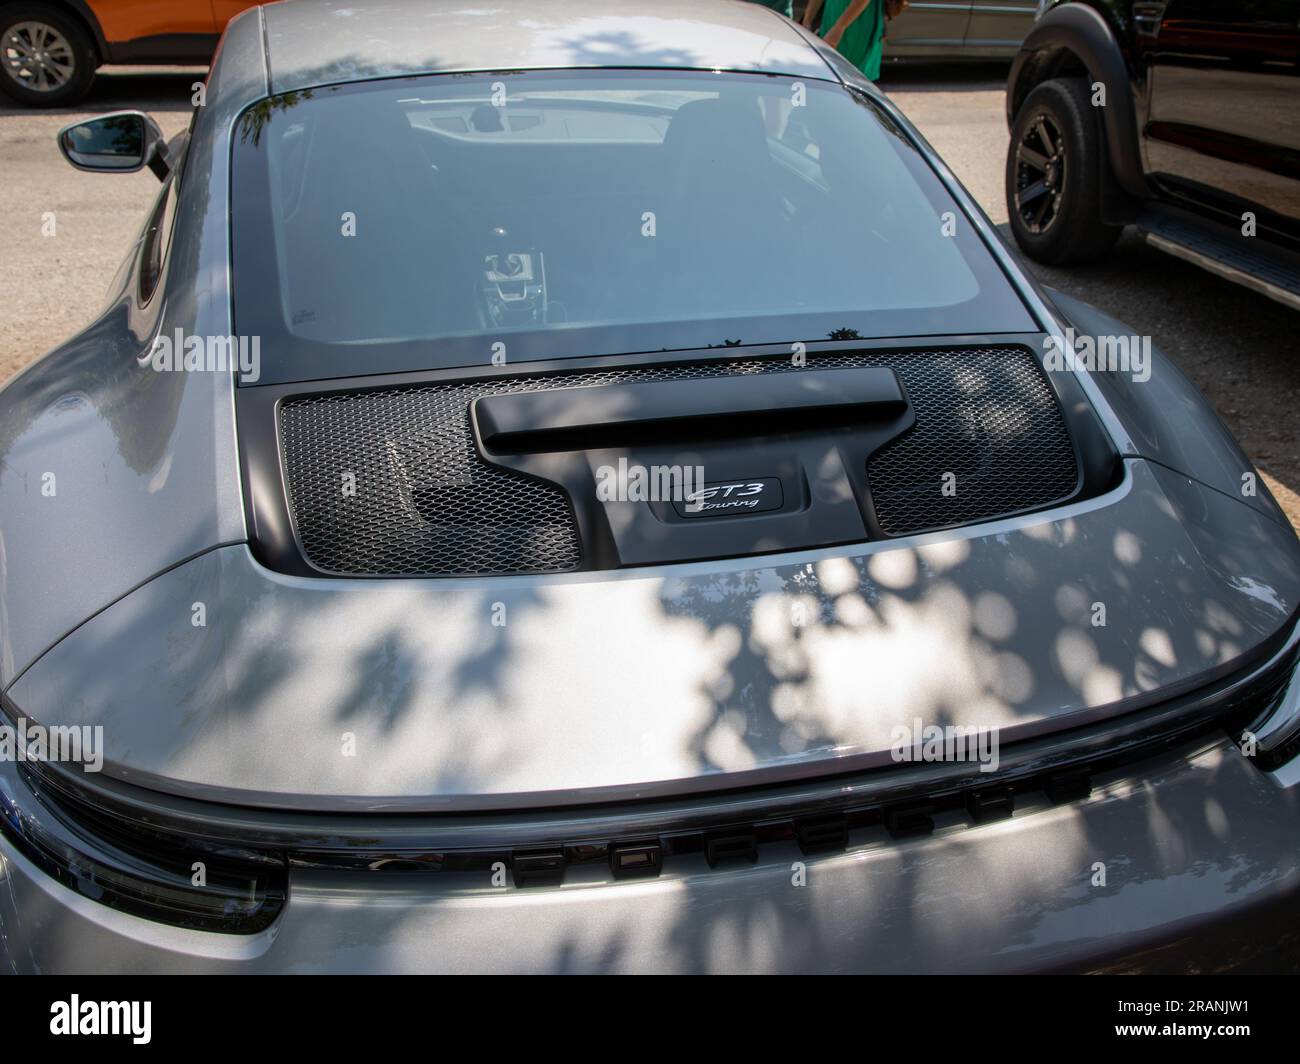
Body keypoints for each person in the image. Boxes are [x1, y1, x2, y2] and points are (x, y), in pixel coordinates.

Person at [802, 0, 886, 82]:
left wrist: (839, 27)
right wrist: (807, 19)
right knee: (829, 76)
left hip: (856, 22)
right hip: (834, 18)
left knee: (853, 80)